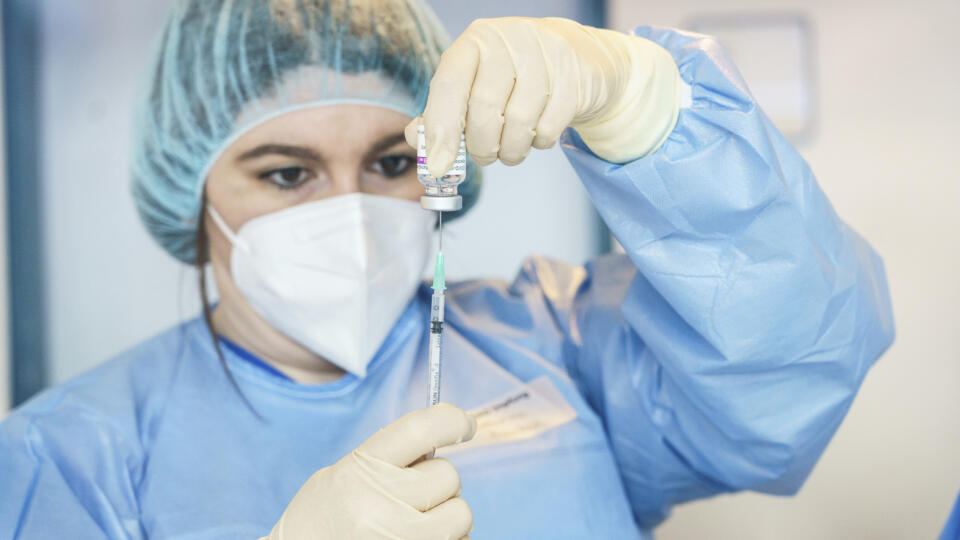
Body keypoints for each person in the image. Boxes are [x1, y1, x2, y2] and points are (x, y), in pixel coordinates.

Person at [0, 1, 895, 538]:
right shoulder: (69, 457)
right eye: (286, 172)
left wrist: (651, 108)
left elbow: (799, 357)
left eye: (391, 163)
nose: (348, 211)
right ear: (190, 198)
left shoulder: (557, 344)